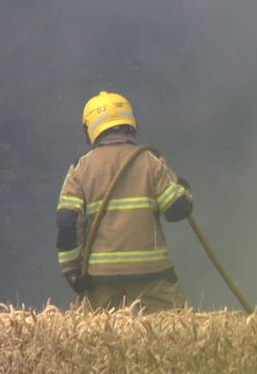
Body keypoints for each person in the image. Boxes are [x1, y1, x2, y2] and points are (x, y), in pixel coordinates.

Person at [56, 90, 193, 313]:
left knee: (94, 344)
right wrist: (184, 189)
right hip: (152, 274)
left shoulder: (80, 170)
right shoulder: (149, 161)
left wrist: (72, 272)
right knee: (177, 336)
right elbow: (177, 210)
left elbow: (67, 223)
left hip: (100, 279)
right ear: (130, 123)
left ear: (90, 129)